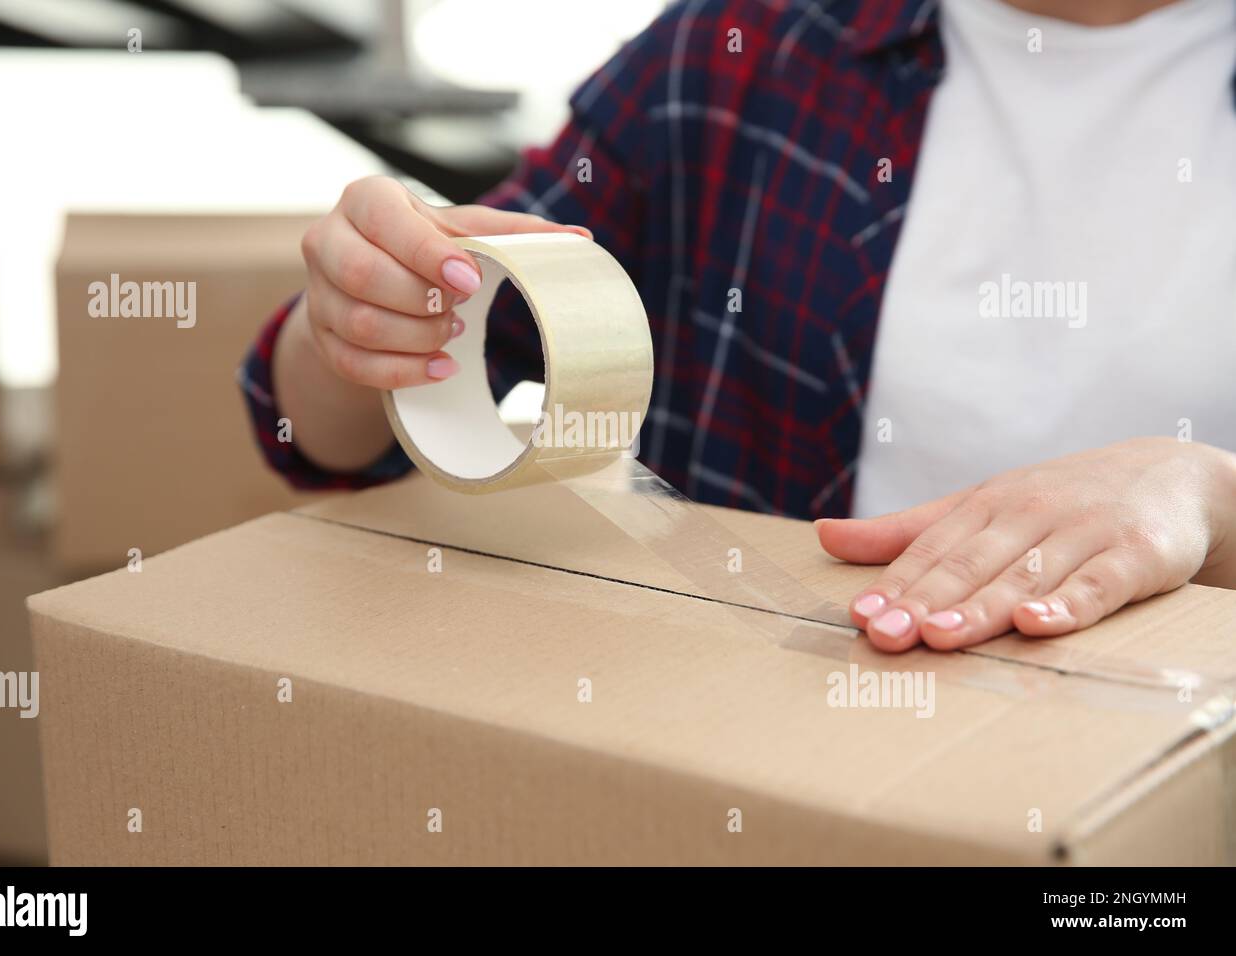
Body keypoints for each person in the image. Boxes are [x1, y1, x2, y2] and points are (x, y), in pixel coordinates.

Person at [240, 0, 1236, 653]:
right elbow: (328, 433)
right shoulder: (738, 46)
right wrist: (359, 316)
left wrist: (1211, 495)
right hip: (745, 758)